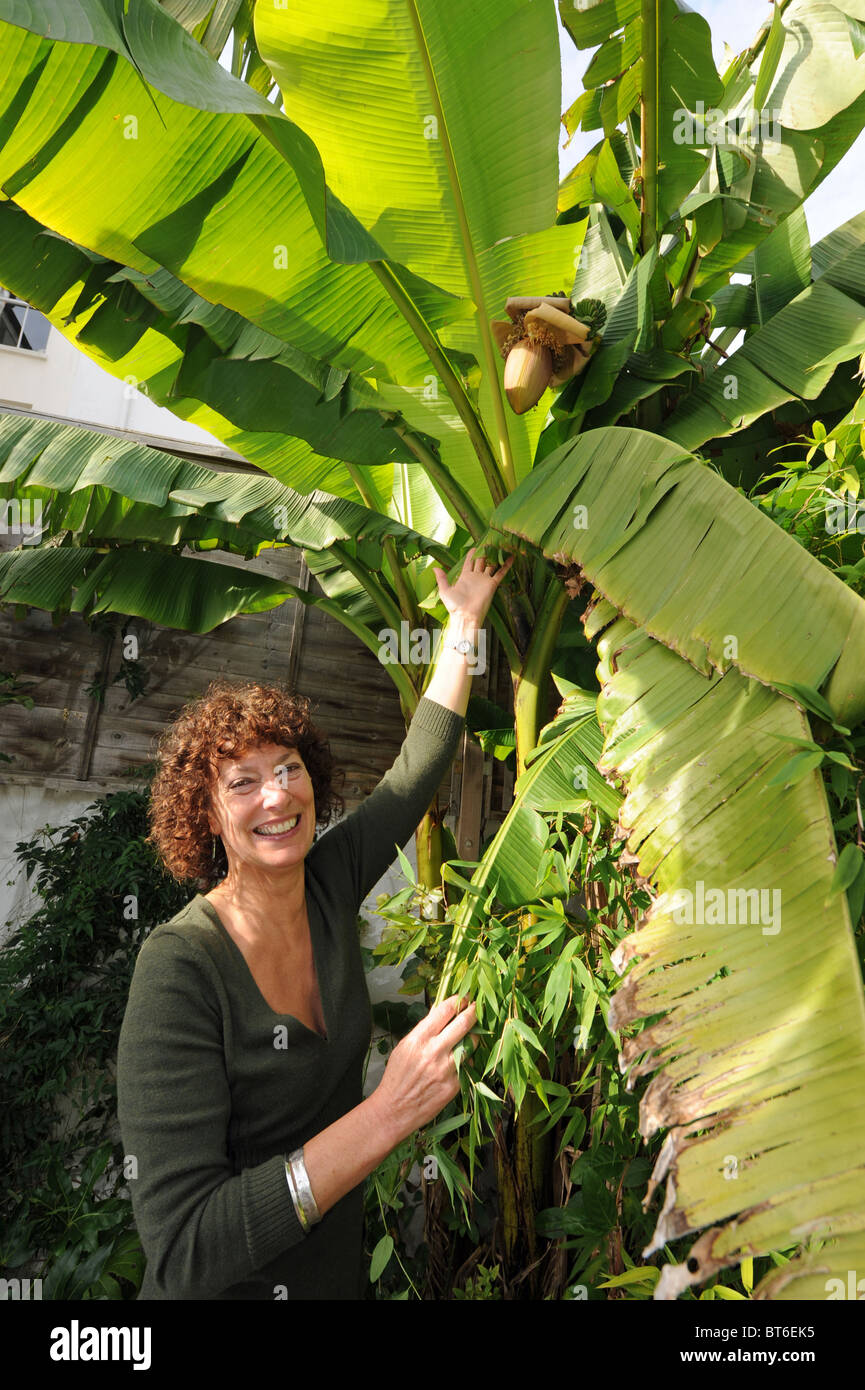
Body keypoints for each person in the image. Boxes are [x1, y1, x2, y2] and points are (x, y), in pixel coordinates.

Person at [116, 548, 513, 1300]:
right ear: (204, 815)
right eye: (243, 782)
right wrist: (386, 1115)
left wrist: (462, 621)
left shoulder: (326, 880)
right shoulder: (181, 968)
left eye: (288, 768)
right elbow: (184, 1251)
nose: (276, 796)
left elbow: (416, 769)